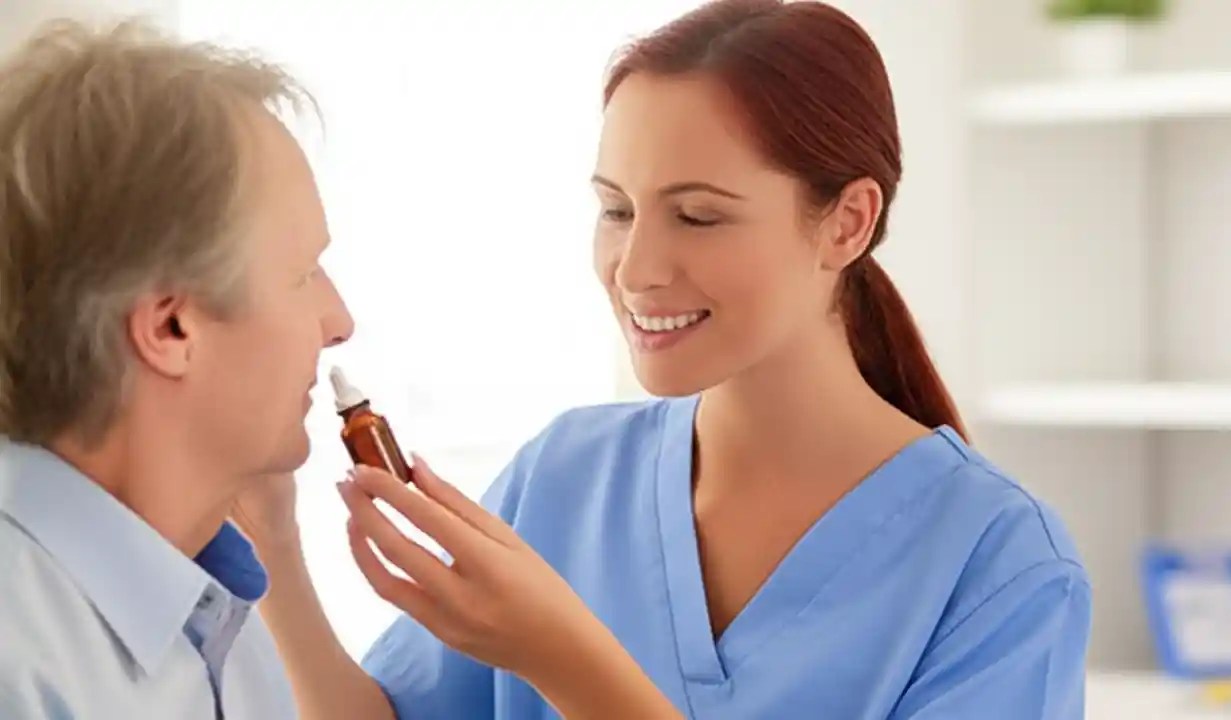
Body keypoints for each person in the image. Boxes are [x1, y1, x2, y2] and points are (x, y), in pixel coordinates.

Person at [237, 1, 1093, 718]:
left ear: (847, 223)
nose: (636, 269)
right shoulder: (566, 476)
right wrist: (270, 536)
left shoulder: (999, 565)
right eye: (616, 211)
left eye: (698, 216)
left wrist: (562, 658)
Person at [0, 20, 354, 719]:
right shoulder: (18, 659)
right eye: (304, 274)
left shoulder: (221, 621)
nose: (338, 321)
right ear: (170, 328)